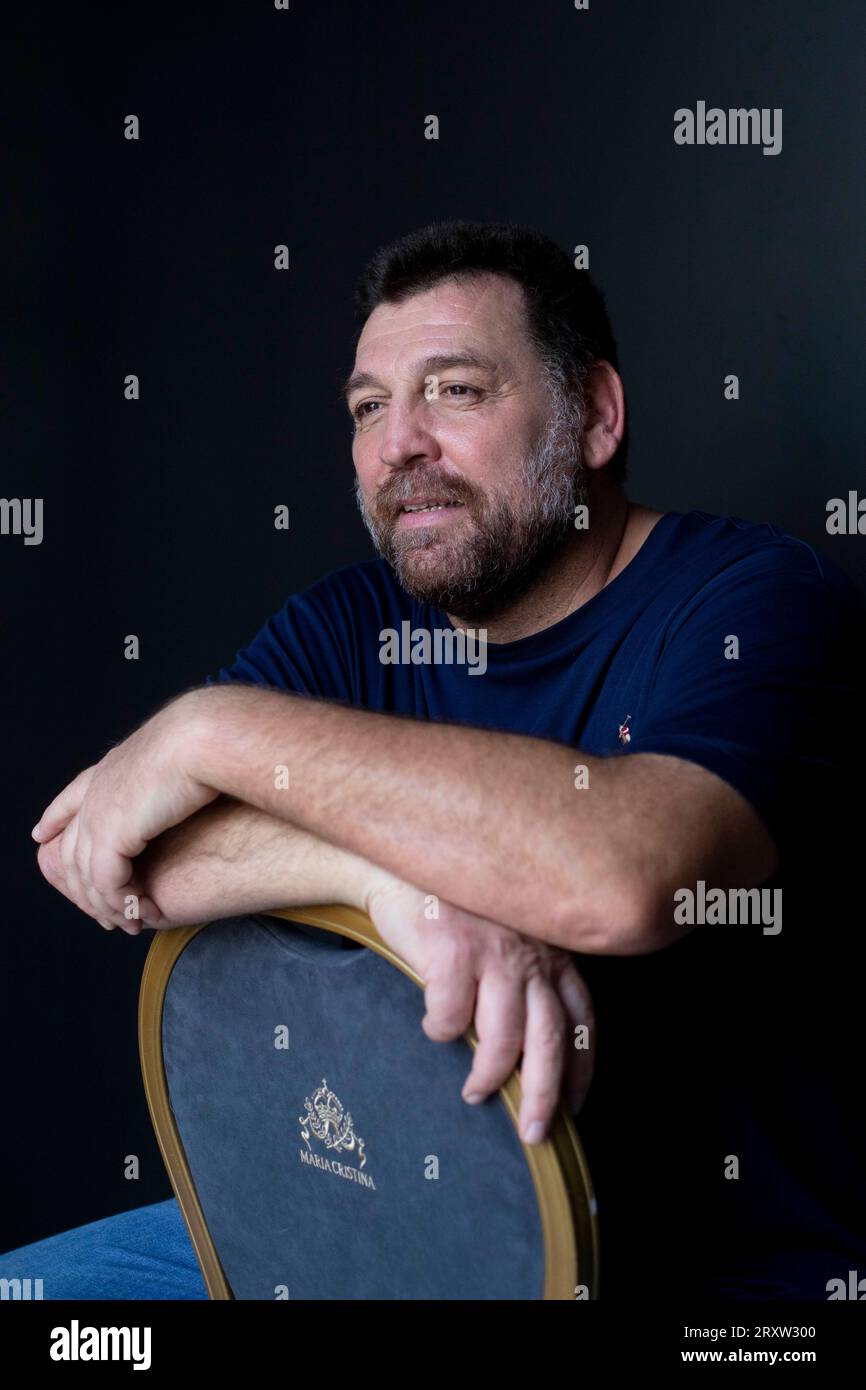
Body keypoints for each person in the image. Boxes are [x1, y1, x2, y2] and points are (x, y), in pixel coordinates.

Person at [8, 219, 865, 1301]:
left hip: (702, 1268)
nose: (396, 443)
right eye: (368, 407)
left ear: (594, 416)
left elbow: (623, 879)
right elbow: (109, 848)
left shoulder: (754, 598)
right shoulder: (348, 621)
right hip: (372, 1222)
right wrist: (385, 881)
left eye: (452, 390)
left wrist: (205, 731)